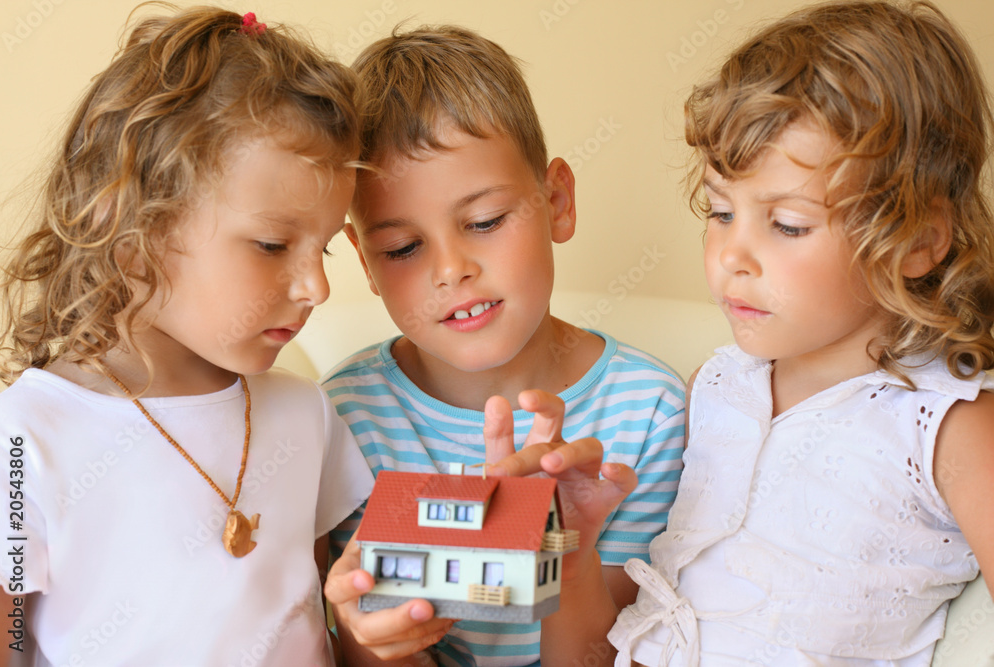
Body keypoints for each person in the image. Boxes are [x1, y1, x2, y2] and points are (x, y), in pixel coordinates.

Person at [608, 1, 994, 665]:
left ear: (918, 241)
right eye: (721, 211)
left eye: (787, 224)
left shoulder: (947, 425)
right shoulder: (716, 384)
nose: (732, 254)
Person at [0, 7, 375, 665]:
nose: (315, 286)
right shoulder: (26, 434)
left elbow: (317, 619)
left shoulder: (304, 413)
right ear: (135, 233)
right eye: (273, 243)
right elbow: (9, 639)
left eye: (325, 250)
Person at [320, 25, 685, 667]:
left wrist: (565, 552)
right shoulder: (344, 417)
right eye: (402, 248)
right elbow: (366, 646)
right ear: (367, 264)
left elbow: (608, 657)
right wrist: (369, 635)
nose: (450, 269)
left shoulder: (649, 409)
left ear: (557, 201)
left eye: (484, 222)